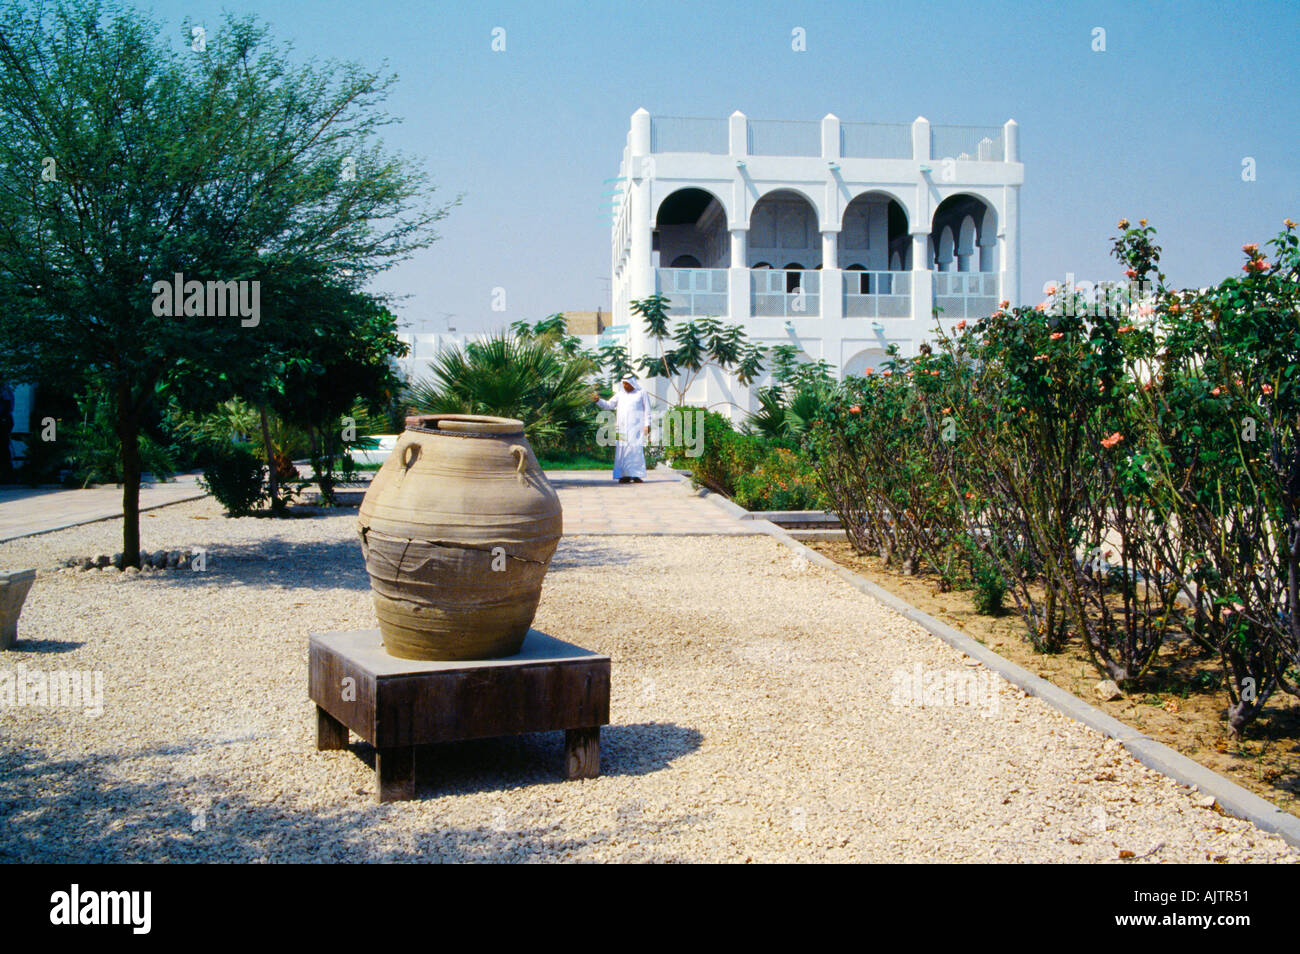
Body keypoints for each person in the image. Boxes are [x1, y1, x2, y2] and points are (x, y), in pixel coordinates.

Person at [592, 375, 652, 483]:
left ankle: (636, 475)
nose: (625, 386)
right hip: (622, 428)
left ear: (632, 383)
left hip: (636, 428)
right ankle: (624, 475)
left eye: (627, 384)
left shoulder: (641, 393)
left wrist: (647, 425)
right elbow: (609, 405)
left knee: (635, 451)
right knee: (623, 451)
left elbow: (647, 410)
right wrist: (598, 401)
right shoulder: (620, 394)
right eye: (623, 384)